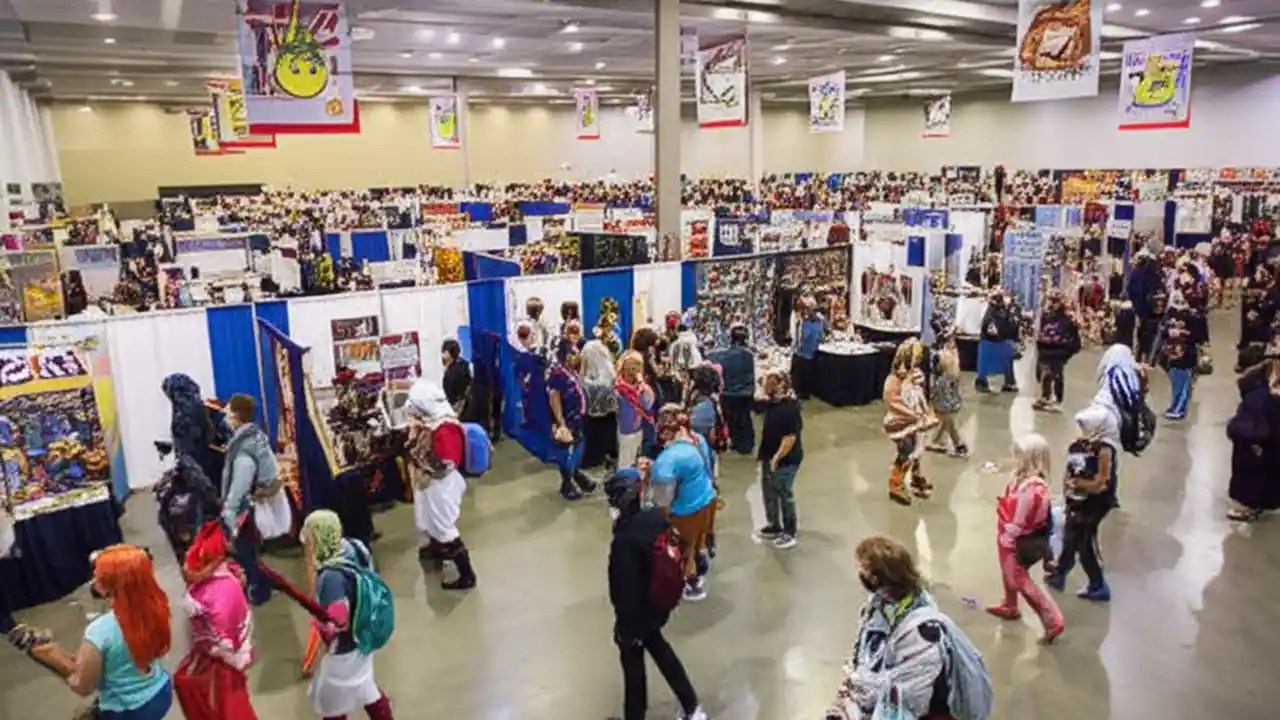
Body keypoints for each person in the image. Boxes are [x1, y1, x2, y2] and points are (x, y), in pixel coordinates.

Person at [826, 536, 990, 720]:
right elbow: (862, 655)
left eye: (864, 570)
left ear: (878, 577)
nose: (861, 576)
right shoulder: (877, 606)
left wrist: (859, 685)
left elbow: (912, 697)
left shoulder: (924, 632)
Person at [604, 469, 707, 720]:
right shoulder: (655, 518)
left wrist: (625, 627)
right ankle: (692, 707)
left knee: (633, 667)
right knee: (662, 652)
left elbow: (624, 588)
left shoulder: (625, 539)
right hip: (659, 605)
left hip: (638, 614)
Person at [28, 545, 174, 720]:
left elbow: (83, 686)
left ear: (111, 587)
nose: (94, 580)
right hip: (161, 693)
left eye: (99, 576)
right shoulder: (158, 608)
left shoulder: (100, 632)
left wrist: (53, 660)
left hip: (128, 711)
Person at [301, 510, 395, 720]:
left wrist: (321, 628)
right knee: (365, 685)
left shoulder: (331, 576)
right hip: (365, 632)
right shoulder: (354, 546)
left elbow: (338, 621)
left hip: (345, 648)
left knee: (333, 703)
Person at [174, 522, 258, 720]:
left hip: (219, 666)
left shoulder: (215, 590)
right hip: (222, 659)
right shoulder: (224, 582)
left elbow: (219, 642)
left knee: (227, 709)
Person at [986, 434, 1064, 644]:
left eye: (1020, 455)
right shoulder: (1022, 479)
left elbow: (1021, 521)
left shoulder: (1032, 489)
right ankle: (1010, 605)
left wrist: (1007, 538)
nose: (1015, 458)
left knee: (1017, 578)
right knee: (1008, 572)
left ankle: (1053, 619)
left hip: (1018, 539)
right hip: (1009, 533)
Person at [405, 380, 476, 590]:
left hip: (443, 484)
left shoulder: (446, 428)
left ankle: (467, 574)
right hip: (432, 482)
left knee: (445, 525)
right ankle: (438, 547)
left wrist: (418, 452)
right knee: (428, 518)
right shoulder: (434, 422)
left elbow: (445, 464)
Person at [647, 404, 719, 601]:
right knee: (698, 541)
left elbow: (663, 500)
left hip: (685, 512)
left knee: (682, 549)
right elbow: (709, 468)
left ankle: (692, 583)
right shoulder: (698, 441)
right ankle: (702, 557)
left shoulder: (667, 460)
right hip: (708, 500)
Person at [1046, 406, 1116, 602]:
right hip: (1076, 502)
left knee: (1084, 542)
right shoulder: (1077, 447)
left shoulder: (1105, 451)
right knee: (1071, 534)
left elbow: (1102, 482)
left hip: (1094, 505)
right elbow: (1069, 470)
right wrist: (1069, 493)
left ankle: (1097, 583)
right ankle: (1060, 574)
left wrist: (1080, 485)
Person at [220, 394, 279, 606]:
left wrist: (229, 511)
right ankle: (262, 583)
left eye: (228, 413)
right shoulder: (255, 438)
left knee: (245, 550)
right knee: (250, 549)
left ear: (236, 416)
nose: (225, 417)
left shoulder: (243, 449)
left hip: (245, 509)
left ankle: (260, 589)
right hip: (253, 505)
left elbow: (240, 484)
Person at [1226, 338, 1280, 522]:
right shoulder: (1260, 379)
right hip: (1260, 427)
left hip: (1261, 429)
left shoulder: (1261, 387)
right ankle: (1259, 502)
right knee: (1259, 465)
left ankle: (1255, 503)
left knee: (1259, 466)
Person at [882, 340, 934, 506]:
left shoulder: (915, 374)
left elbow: (921, 394)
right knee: (906, 450)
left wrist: (925, 413)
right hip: (902, 422)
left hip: (918, 421)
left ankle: (915, 476)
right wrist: (912, 415)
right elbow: (893, 401)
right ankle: (895, 483)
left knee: (918, 448)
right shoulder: (894, 379)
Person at [757, 370, 804, 548]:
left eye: (770, 383)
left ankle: (789, 531)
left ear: (782, 385)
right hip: (769, 457)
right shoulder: (772, 404)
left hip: (786, 460)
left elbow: (790, 438)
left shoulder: (790, 409)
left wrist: (777, 458)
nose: (766, 386)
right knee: (769, 491)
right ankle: (774, 524)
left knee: (784, 493)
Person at [547, 351, 598, 500]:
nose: (575, 356)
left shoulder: (572, 371)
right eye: (571, 353)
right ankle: (567, 484)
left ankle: (577, 476)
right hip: (566, 420)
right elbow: (554, 397)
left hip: (577, 418)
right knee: (566, 453)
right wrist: (561, 422)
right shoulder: (557, 373)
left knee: (578, 448)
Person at [162, 373, 224, 489]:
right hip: (216, 464)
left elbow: (186, 452)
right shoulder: (203, 406)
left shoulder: (182, 415)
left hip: (200, 472)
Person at [1155, 290, 1204, 421]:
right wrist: (1170, 332)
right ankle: (1174, 405)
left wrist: (1183, 333)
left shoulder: (1195, 317)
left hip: (1187, 355)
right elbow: (1163, 331)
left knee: (1184, 383)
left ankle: (1180, 409)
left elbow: (1199, 336)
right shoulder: (1170, 314)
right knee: (1176, 383)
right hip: (1172, 355)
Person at [710, 323, 755, 455]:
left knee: (731, 421)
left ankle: (735, 443)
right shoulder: (749, 355)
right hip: (745, 394)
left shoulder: (722, 355)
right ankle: (746, 447)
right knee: (745, 420)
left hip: (727, 393)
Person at [1034, 289, 1081, 412]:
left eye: (1055, 301)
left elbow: (1074, 338)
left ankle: (1057, 398)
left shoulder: (1066, 319)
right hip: (1045, 350)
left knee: (1057, 374)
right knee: (1045, 374)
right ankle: (1045, 397)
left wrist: (1068, 350)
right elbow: (1039, 333)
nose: (1052, 304)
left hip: (1059, 352)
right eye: (1050, 300)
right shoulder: (1044, 316)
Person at [579, 334, 619, 470]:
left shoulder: (585, 380)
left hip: (591, 414)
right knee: (609, 427)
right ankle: (610, 453)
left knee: (593, 431)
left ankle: (593, 458)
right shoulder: (610, 375)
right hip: (609, 411)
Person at [926, 328, 967, 458]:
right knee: (947, 418)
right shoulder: (940, 355)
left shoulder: (952, 354)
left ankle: (934, 441)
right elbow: (937, 373)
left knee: (944, 418)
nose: (953, 342)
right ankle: (958, 443)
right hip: (943, 389)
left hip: (950, 388)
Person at [614, 350, 655, 469]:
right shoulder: (618, 387)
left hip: (639, 428)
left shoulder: (640, 388)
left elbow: (648, 403)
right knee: (625, 462)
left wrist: (641, 383)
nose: (634, 369)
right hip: (625, 430)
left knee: (636, 460)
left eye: (637, 366)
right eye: (631, 365)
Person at [974, 291, 1018, 393]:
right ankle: (983, 382)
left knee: (1003, 360)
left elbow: (1011, 324)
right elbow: (988, 324)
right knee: (986, 364)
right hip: (991, 341)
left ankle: (1008, 382)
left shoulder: (1003, 310)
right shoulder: (992, 310)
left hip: (998, 340)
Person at [791, 296, 826, 400]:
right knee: (801, 375)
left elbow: (819, 336)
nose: (807, 311)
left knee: (804, 375)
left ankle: (803, 392)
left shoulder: (817, 322)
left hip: (807, 353)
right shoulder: (802, 321)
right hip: (802, 353)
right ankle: (800, 391)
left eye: (810, 309)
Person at [440, 338, 472, 417]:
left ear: (448, 353)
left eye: (444, 352)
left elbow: (453, 391)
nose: (442, 355)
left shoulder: (455, 370)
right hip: (463, 405)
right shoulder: (463, 365)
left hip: (459, 406)